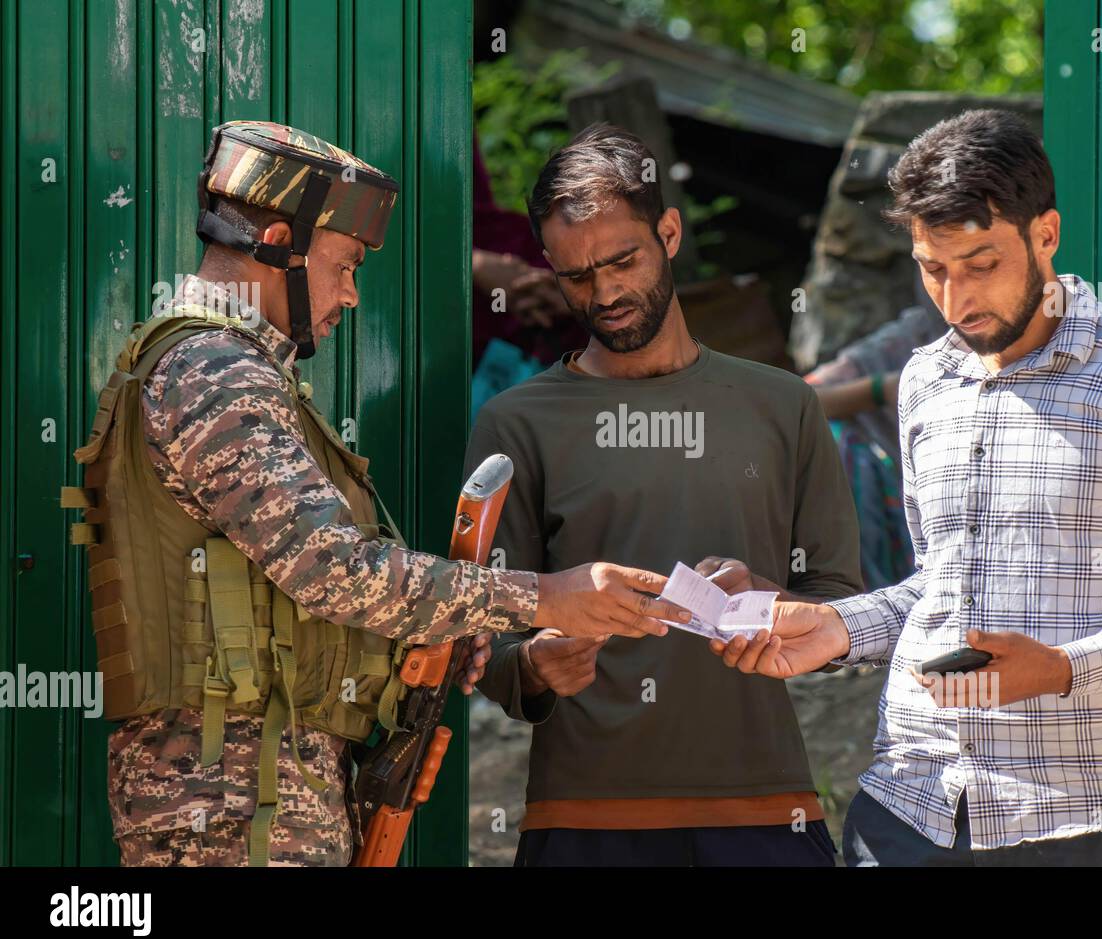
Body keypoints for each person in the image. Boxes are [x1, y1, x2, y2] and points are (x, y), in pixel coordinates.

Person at [63, 121, 688, 867]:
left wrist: (447, 642)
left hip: (252, 793)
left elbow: (296, 597)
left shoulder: (230, 368)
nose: (351, 294)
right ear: (274, 243)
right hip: (230, 807)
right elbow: (332, 571)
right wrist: (543, 596)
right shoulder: (215, 371)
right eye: (345, 265)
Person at [710, 109, 1102, 866]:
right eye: (932, 268)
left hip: (1080, 817)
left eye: (980, 263)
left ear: (1046, 234)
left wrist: (1065, 671)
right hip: (906, 806)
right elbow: (936, 589)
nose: (956, 297)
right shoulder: (924, 380)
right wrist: (833, 629)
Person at [466, 123, 863, 867]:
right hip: (583, 818)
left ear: (670, 232)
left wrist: (766, 602)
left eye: (623, 260)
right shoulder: (515, 422)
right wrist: (531, 667)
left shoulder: (783, 406)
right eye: (576, 275)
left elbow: (842, 608)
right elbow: (478, 627)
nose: (606, 292)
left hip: (765, 813)